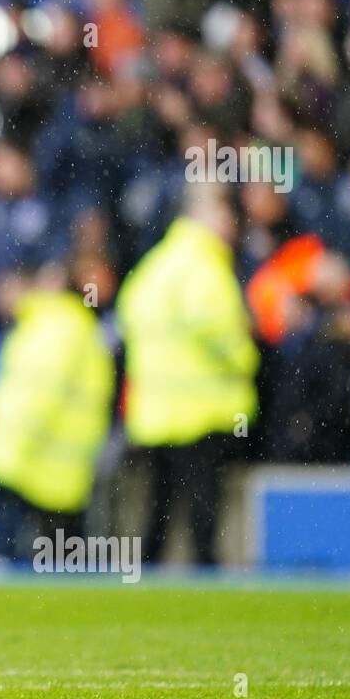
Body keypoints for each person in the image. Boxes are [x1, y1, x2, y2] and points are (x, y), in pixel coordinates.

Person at [115, 184, 259, 566]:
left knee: (157, 516)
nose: (232, 224)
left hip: (155, 413)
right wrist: (248, 357)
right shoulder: (206, 265)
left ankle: (139, 592)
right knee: (203, 519)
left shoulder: (156, 264)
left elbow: (128, 316)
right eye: (225, 213)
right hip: (200, 412)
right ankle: (209, 592)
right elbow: (222, 332)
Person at [0, 262, 115, 560]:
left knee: (20, 568)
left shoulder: (55, 326)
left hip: (32, 468)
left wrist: (12, 454)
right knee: (58, 569)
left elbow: (39, 396)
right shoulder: (65, 324)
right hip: (56, 471)